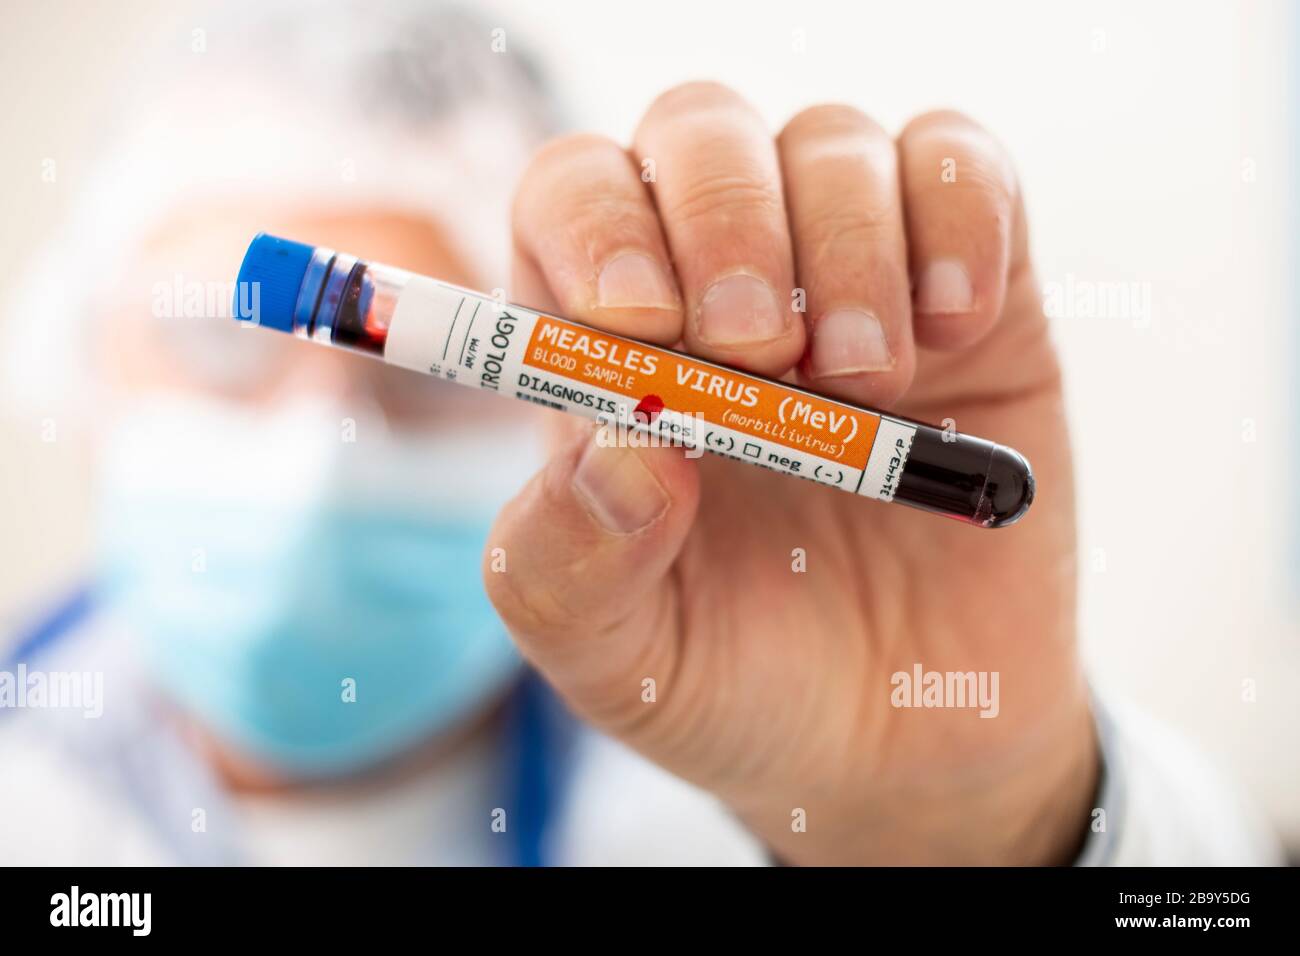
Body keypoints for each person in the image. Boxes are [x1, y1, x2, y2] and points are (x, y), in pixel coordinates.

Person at [0, 1, 1281, 866]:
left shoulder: (731, 792)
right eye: (219, 344)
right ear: (77, 350)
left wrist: (996, 825)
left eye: (420, 375)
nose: (316, 442)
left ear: (551, 392)